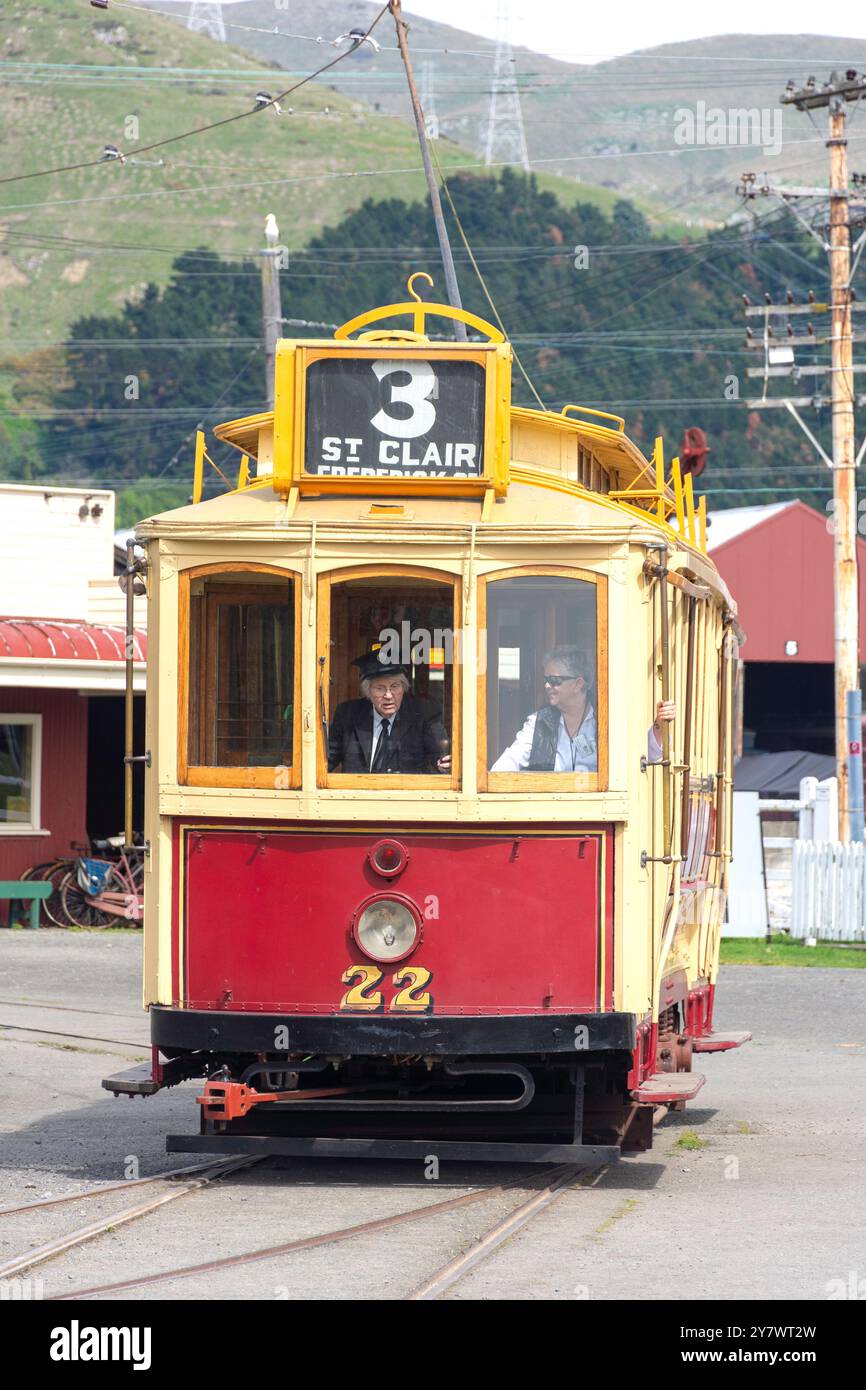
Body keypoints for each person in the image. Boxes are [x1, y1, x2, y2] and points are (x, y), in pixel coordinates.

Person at [491, 644, 675, 773]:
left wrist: (659, 724)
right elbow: (508, 763)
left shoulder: (605, 719)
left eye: (554, 681)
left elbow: (645, 755)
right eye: (545, 680)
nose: (547, 686)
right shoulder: (538, 722)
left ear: (578, 684)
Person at [327, 650, 451, 774]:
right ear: (368, 691)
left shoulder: (425, 714)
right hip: (358, 791)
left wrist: (441, 765)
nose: (388, 695)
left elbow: (438, 759)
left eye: (395, 686)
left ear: (403, 687)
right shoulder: (347, 714)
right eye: (380, 688)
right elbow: (326, 760)